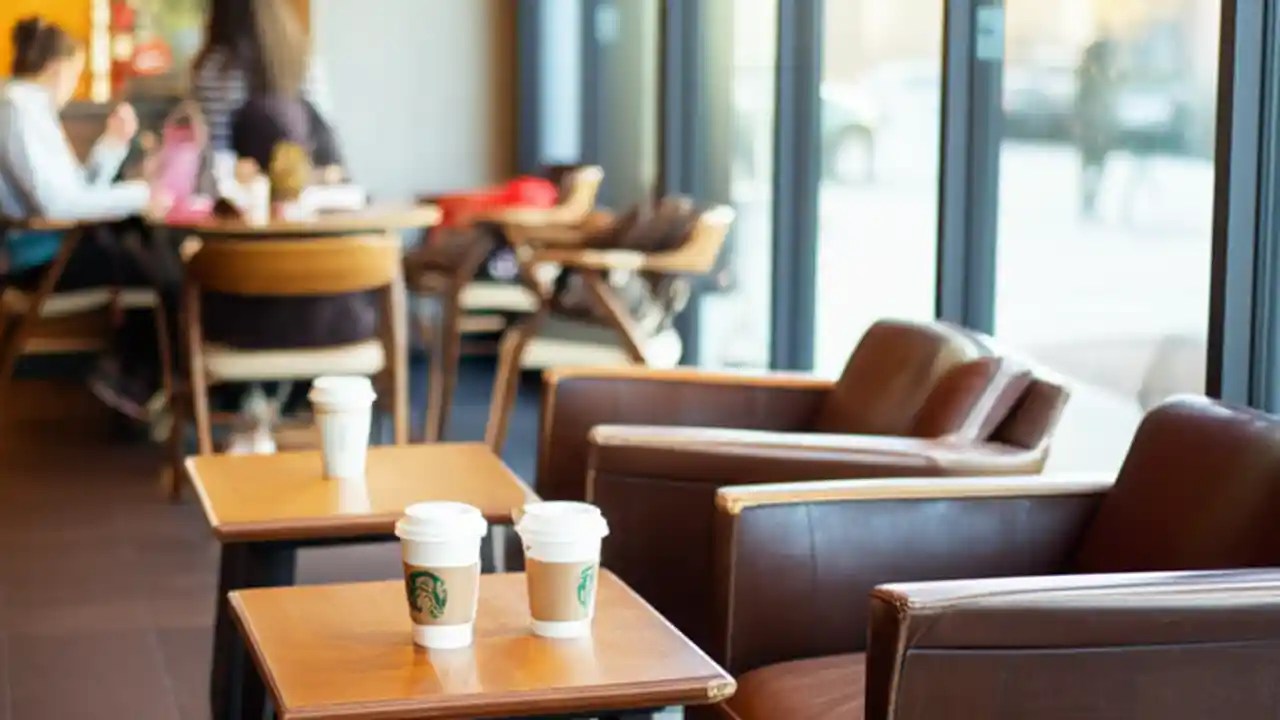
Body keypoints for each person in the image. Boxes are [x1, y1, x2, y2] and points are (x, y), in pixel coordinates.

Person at [0, 16, 174, 420]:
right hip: (41, 261)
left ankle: (134, 379)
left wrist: (112, 146)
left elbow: (76, 194)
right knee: (156, 271)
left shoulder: (29, 109)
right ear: (59, 67)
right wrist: (141, 195)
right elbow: (58, 205)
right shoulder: (17, 111)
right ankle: (137, 380)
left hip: (61, 246)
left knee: (148, 256)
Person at [191, 0, 330, 156]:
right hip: (301, 172)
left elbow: (218, 149)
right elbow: (321, 125)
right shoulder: (302, 57)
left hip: (243, 176)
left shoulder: (217, 68)